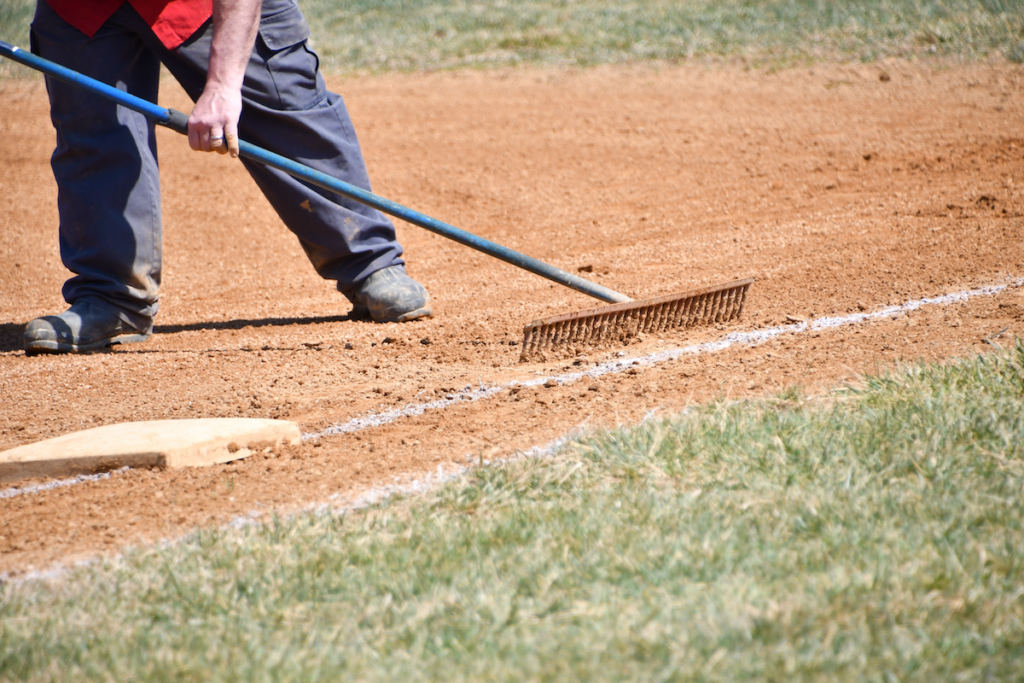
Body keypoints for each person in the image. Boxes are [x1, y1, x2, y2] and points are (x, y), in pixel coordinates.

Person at [23, 0, 431, 356]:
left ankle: (369, 263)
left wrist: (222, 84)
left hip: (203, 5)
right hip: (79, 9)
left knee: (283, 105)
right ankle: (109, 296)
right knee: (93, 137)